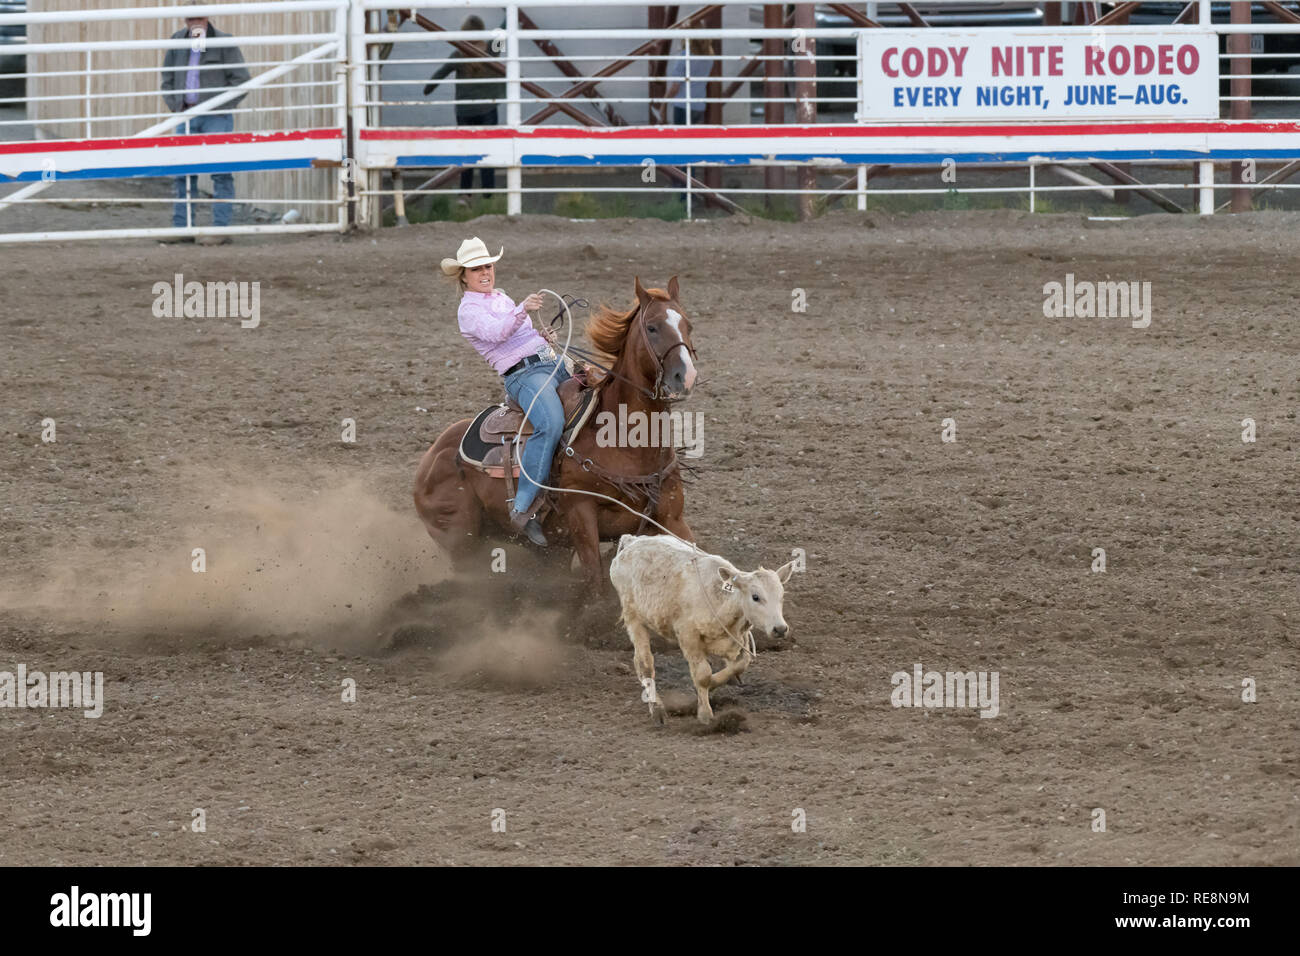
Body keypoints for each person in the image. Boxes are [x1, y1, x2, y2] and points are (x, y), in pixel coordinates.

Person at [442, 237, 568, 547]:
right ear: (464, 275)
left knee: (599, 391)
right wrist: (523, 309)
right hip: (522, 375)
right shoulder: (467, 311)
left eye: (488, 266)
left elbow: (517, 333)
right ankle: (523, 508)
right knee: (549, 424)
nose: (485, 272)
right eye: (476, 269)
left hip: (549, 361)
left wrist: (540, 335)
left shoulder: (500, 296)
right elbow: (498, 334)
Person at [159, 0, 250, 244]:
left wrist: (220, 107)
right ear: (185, 21)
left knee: (220, 171)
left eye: (199, 18)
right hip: (186, 113)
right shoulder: (177, 42)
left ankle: (220, 229)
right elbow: (167, 77)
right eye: (190, 19)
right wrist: (176, 105)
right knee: (182, 171)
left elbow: (241, 79)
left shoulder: (223, 42)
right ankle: (183, 228)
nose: (195, 23)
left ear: (207, 19)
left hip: (215, 117)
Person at [424, 15, 503, 207]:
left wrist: (427, 89)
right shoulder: (493, 50)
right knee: (488, 152)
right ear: (482, 30)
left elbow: (439, 75)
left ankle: (465, 195)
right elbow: (503, 33)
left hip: (465, 111)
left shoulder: (458, 55)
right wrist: (511, 16)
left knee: (466, 153)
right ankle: (488, 195)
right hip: (488, 110)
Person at [663, 37, 717, 126]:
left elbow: (675, 87)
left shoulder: (685, 56)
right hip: (699, 105)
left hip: (683, 105)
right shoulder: (709, 58)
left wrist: (663, 106)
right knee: (695, 137)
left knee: (681, 137)